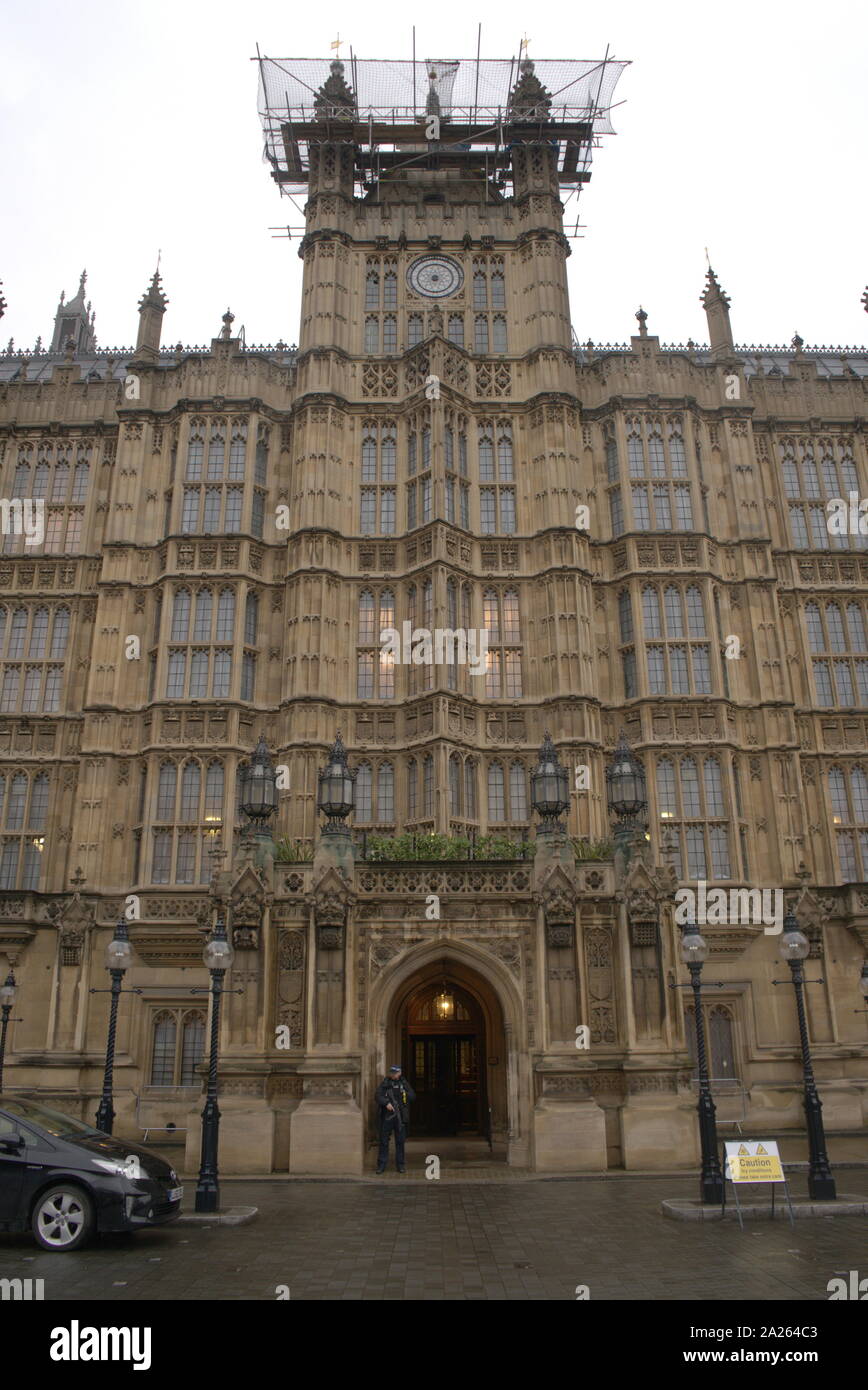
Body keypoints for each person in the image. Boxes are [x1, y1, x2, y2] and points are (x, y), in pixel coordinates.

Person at [375, 1065, 415, 1174]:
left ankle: (400, 1165)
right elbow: (378, 1096)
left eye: (395, 1072)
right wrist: (386, 1103)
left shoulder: (404, 1083)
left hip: (400, 1117)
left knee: (400, 1142)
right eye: (392, 1072)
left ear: (399, 1073)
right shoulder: (385, 1083)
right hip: (387, 1116)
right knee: (383, 1141)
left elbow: (412, 1096)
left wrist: (404, 1094)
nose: (393, 1074)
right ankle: (381, 1165)